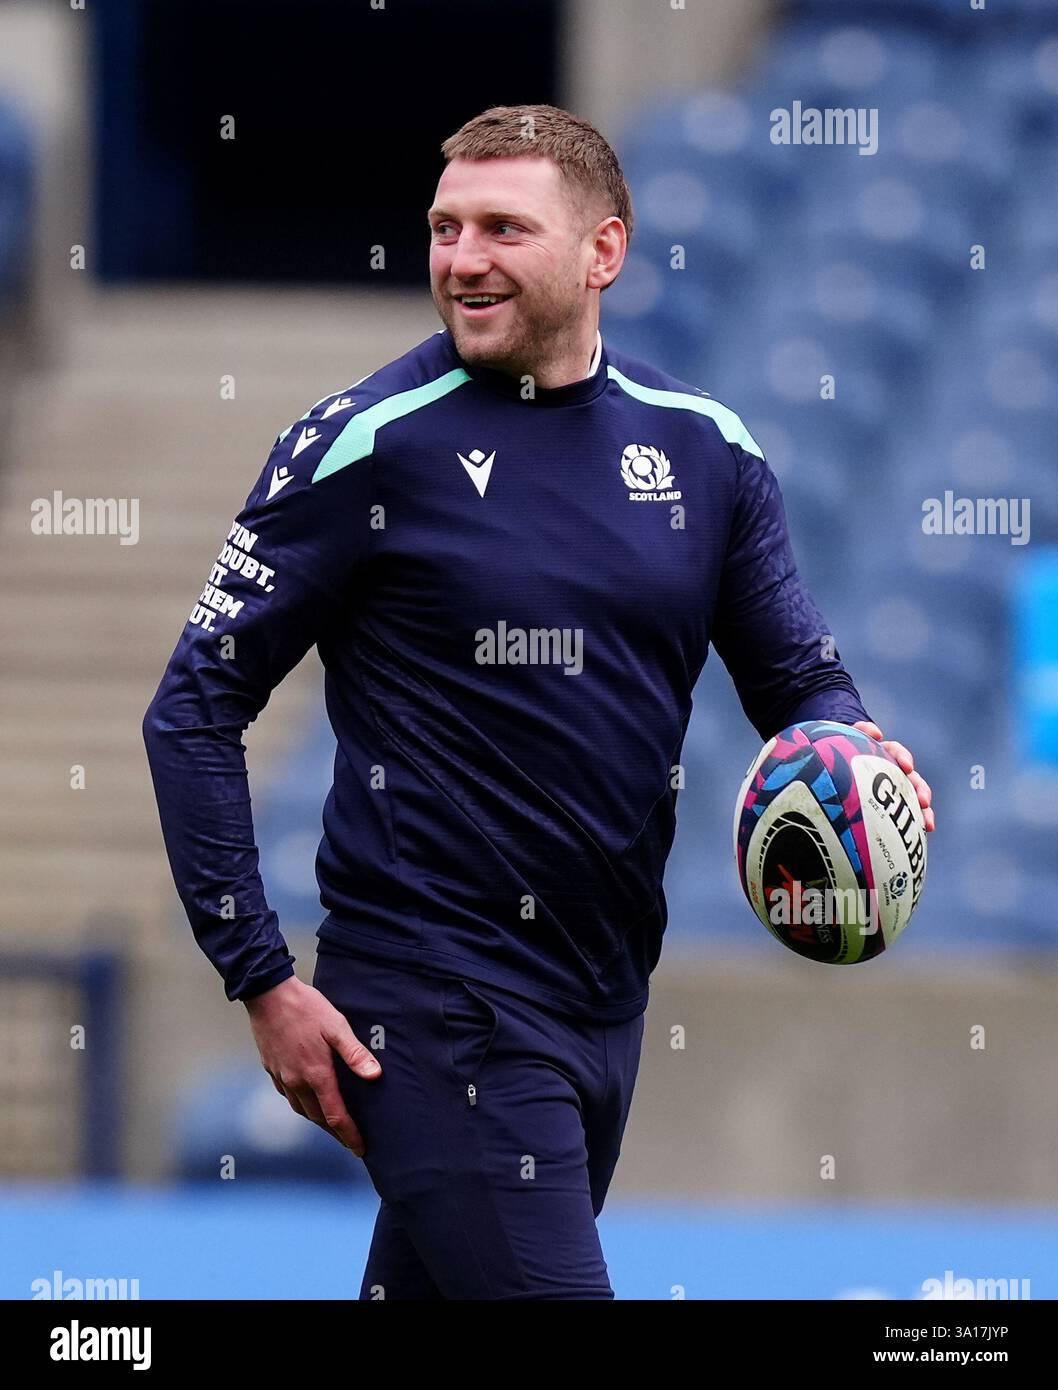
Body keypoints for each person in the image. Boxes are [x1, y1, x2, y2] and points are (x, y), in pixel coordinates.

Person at [143, 103, 934, 1300]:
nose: (462, 259)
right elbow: (192, 707)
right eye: (443, 227)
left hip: (605, 1003)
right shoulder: (360, 446)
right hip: (433, 1000)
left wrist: (862, 759)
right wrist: (257, 973)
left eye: (502, 228)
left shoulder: (705, 451)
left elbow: (801, 686)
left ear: (601, 252)